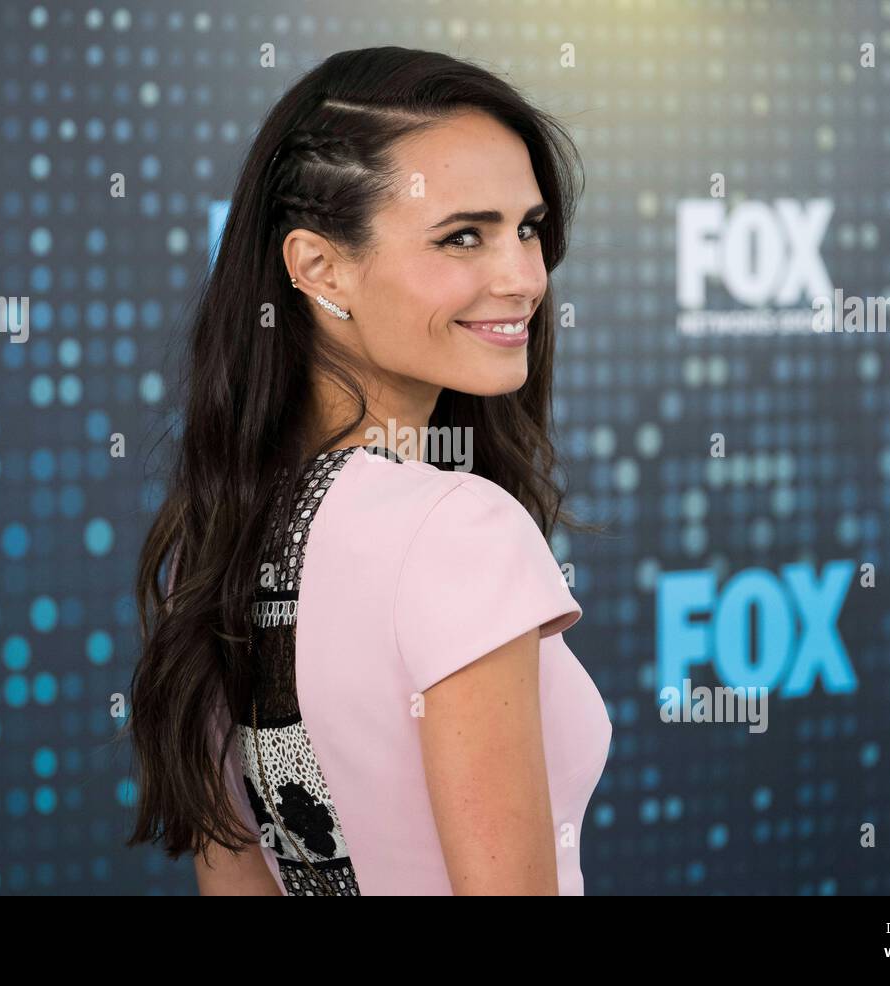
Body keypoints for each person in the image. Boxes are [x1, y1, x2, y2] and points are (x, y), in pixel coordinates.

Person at [123, 46, 612, 895]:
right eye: (463, 236)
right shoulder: (461, 529)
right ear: (319, 268)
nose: (523, 278)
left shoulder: (216, 545)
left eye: (528, 229)